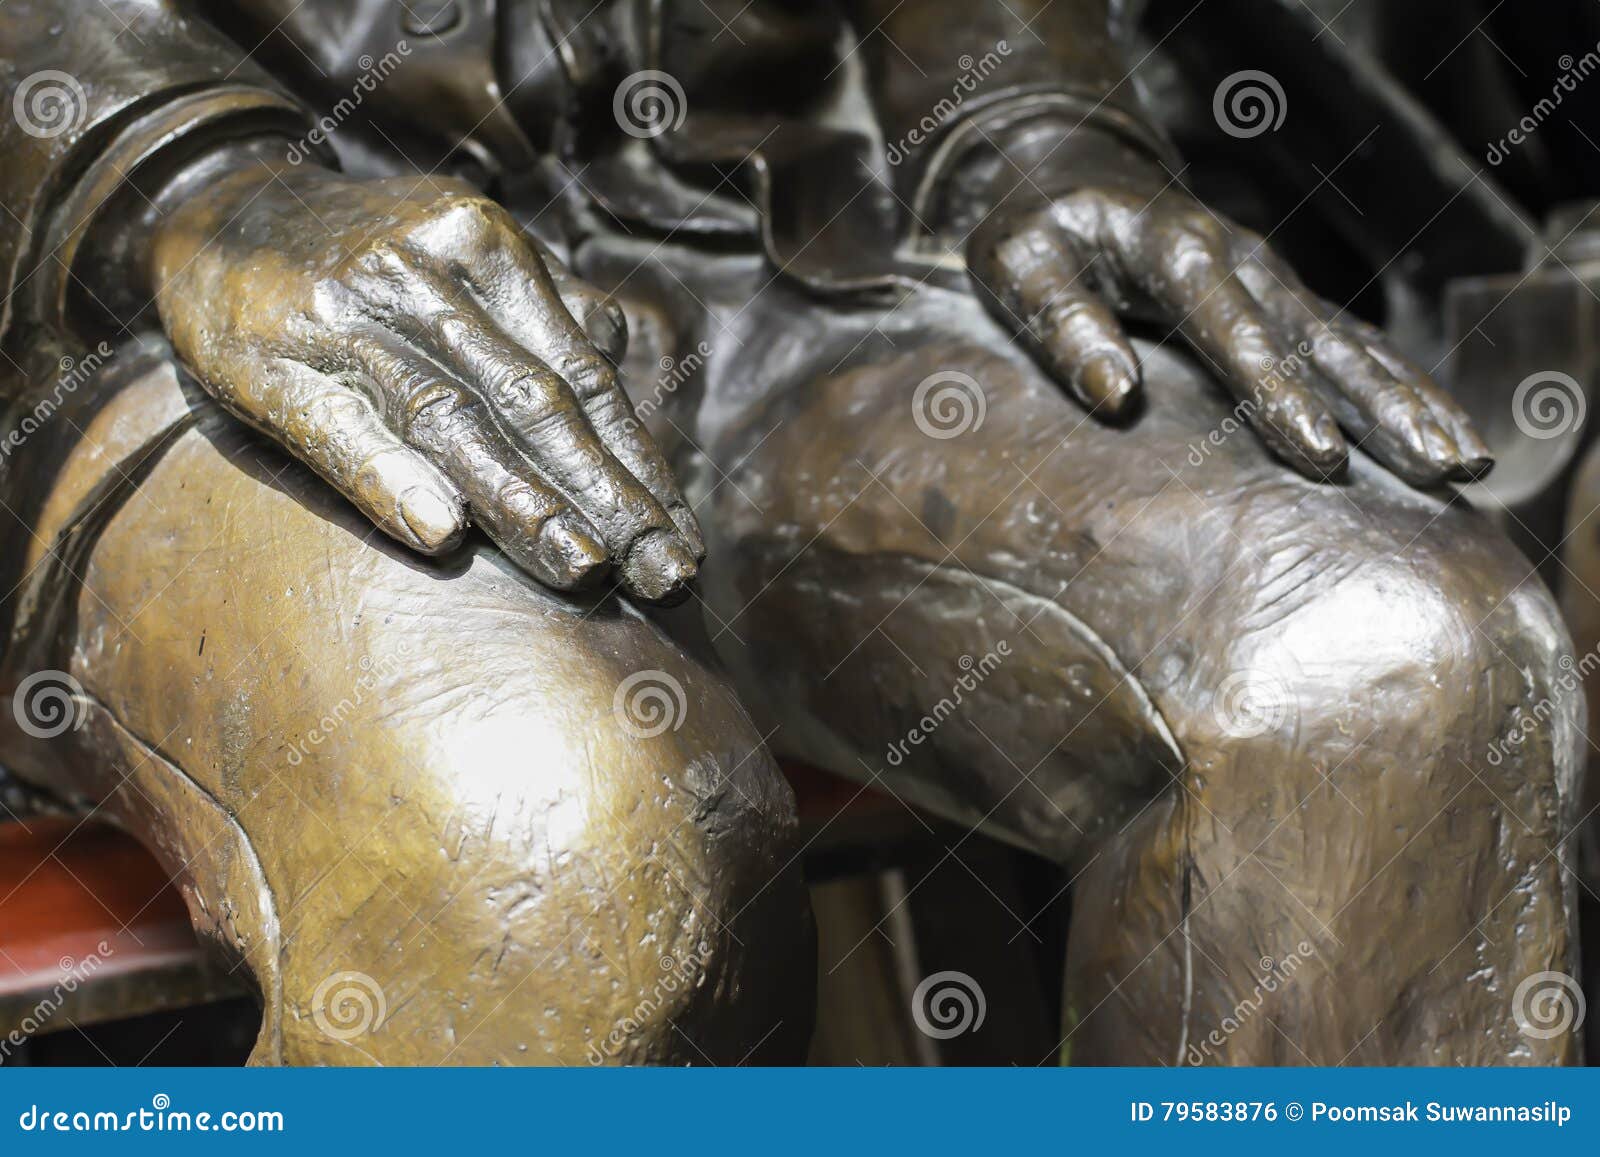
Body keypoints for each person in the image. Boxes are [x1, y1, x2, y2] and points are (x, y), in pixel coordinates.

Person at [0, 0, 1581, 1063]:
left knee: (1389, 669)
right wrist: (172, 183)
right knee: (541, 854)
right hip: (177, 303)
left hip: (765, 251)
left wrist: (1029, 125)